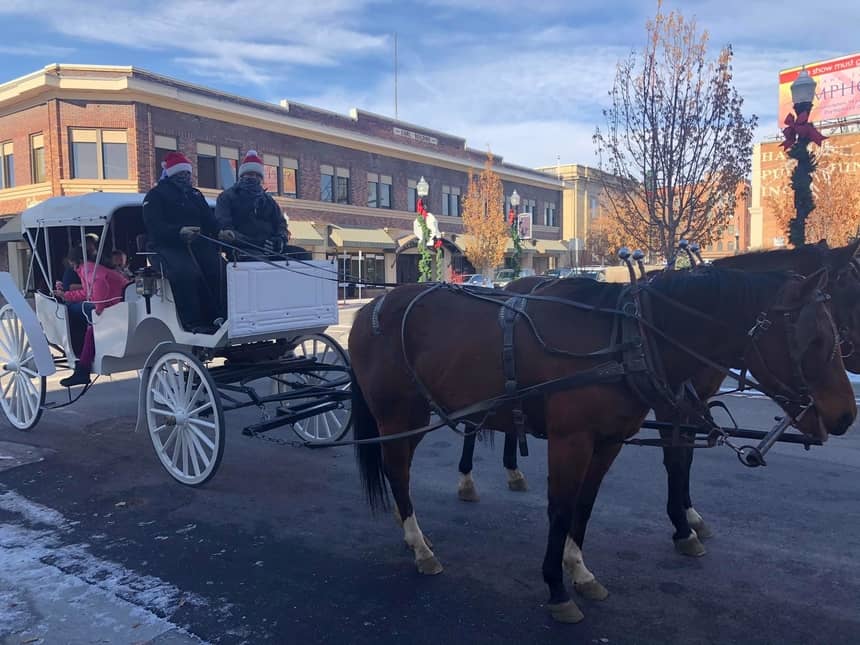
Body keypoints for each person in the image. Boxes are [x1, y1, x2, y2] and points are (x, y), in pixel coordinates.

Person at [142, 151, 224, 333]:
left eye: (187, 172)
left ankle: (221, 314)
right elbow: (154, 226)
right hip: (168, 246)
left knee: (220, 267)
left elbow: (209, 219)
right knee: (185, 273)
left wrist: (221, 231)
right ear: (172, 173)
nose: (185, 176)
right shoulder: (155, 195)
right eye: (181, 173)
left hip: (198, 244)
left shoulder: (195, 195)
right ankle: (192, 321)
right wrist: (178, 232)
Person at [54, 246, 130, 386]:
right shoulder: (90, 268)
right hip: (120, 303)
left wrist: (99, 308)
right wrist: (66, 295)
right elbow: (87, 292)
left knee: (88, 323)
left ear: (73, 261)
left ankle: (82, 368)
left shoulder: (87, 269)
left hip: (115, 305)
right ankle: (82, 366)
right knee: (89, 323)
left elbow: (100, 284)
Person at [215, 150, 310, 259]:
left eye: (257, 175)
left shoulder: (269, 200)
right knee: (259, 260)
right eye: (250, 174)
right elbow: (225, 226)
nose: (254, 177)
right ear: (242, 175)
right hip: (242, 248)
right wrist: (247, 241)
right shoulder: (227, 197)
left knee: (302, 255)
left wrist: (279, 240)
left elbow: (281, 224)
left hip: (269, 248)